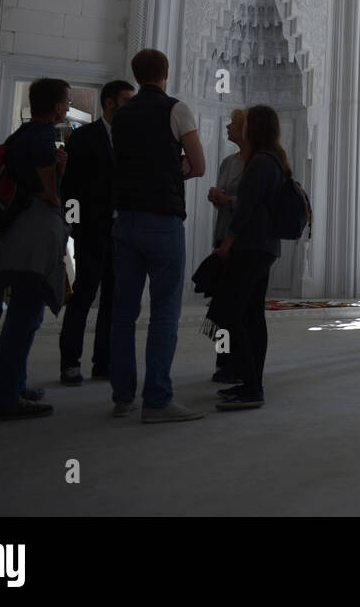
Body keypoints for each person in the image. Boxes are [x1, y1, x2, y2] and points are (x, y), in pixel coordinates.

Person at [109, 48, 206, 423]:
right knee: (164, 314)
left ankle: (122, 396)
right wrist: (172, 169)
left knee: (123, 313)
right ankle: (157, 400)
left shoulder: (121, 114)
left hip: (126, 220)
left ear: (136, 75)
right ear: (166, 71)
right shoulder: (176, 109)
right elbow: (197, 165)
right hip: (162, 220)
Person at [0, 78, 72, 421]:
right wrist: (62, 171)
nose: (66, 108)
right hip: (36, 233)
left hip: (18, 230)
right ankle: (4, 399)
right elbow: (50, 192)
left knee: (24, 313)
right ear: (54, 106)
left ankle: (15, 386)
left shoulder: (20, 135)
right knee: (24, 317)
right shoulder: (45, 137)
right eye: (65, 102)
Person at [212, 105, 295, 410]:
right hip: (265, 248)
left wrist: (226, 245)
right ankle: (251, 383)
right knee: (252, 317)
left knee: (235, 315)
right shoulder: (276, 159)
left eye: (246, 123)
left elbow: (245, 210)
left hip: (249, 248)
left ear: (254, 128)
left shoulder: (259, 162)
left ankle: (249, 385)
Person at [59, 79, 134, 385]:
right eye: (127, 100)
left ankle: (103, 362)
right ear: (110, 102)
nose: (131, 105)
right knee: (83, 297)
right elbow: (71, 187)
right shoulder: (85, 137)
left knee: (113, 301)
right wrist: (73, 226)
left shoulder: (131, 139)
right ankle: (70, 363)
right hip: (91, 231)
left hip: (122, 234)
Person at [206, 109, 250, 383]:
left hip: (243, 243)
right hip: (222, 237)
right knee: (220, 308)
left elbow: (252, 205)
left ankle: (238, 363)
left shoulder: (257, 164)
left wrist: (227, 201)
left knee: (237, 308)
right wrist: (216, 196)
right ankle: (222, 362)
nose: (227, 126)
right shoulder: (227, 162)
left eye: (233, 124)